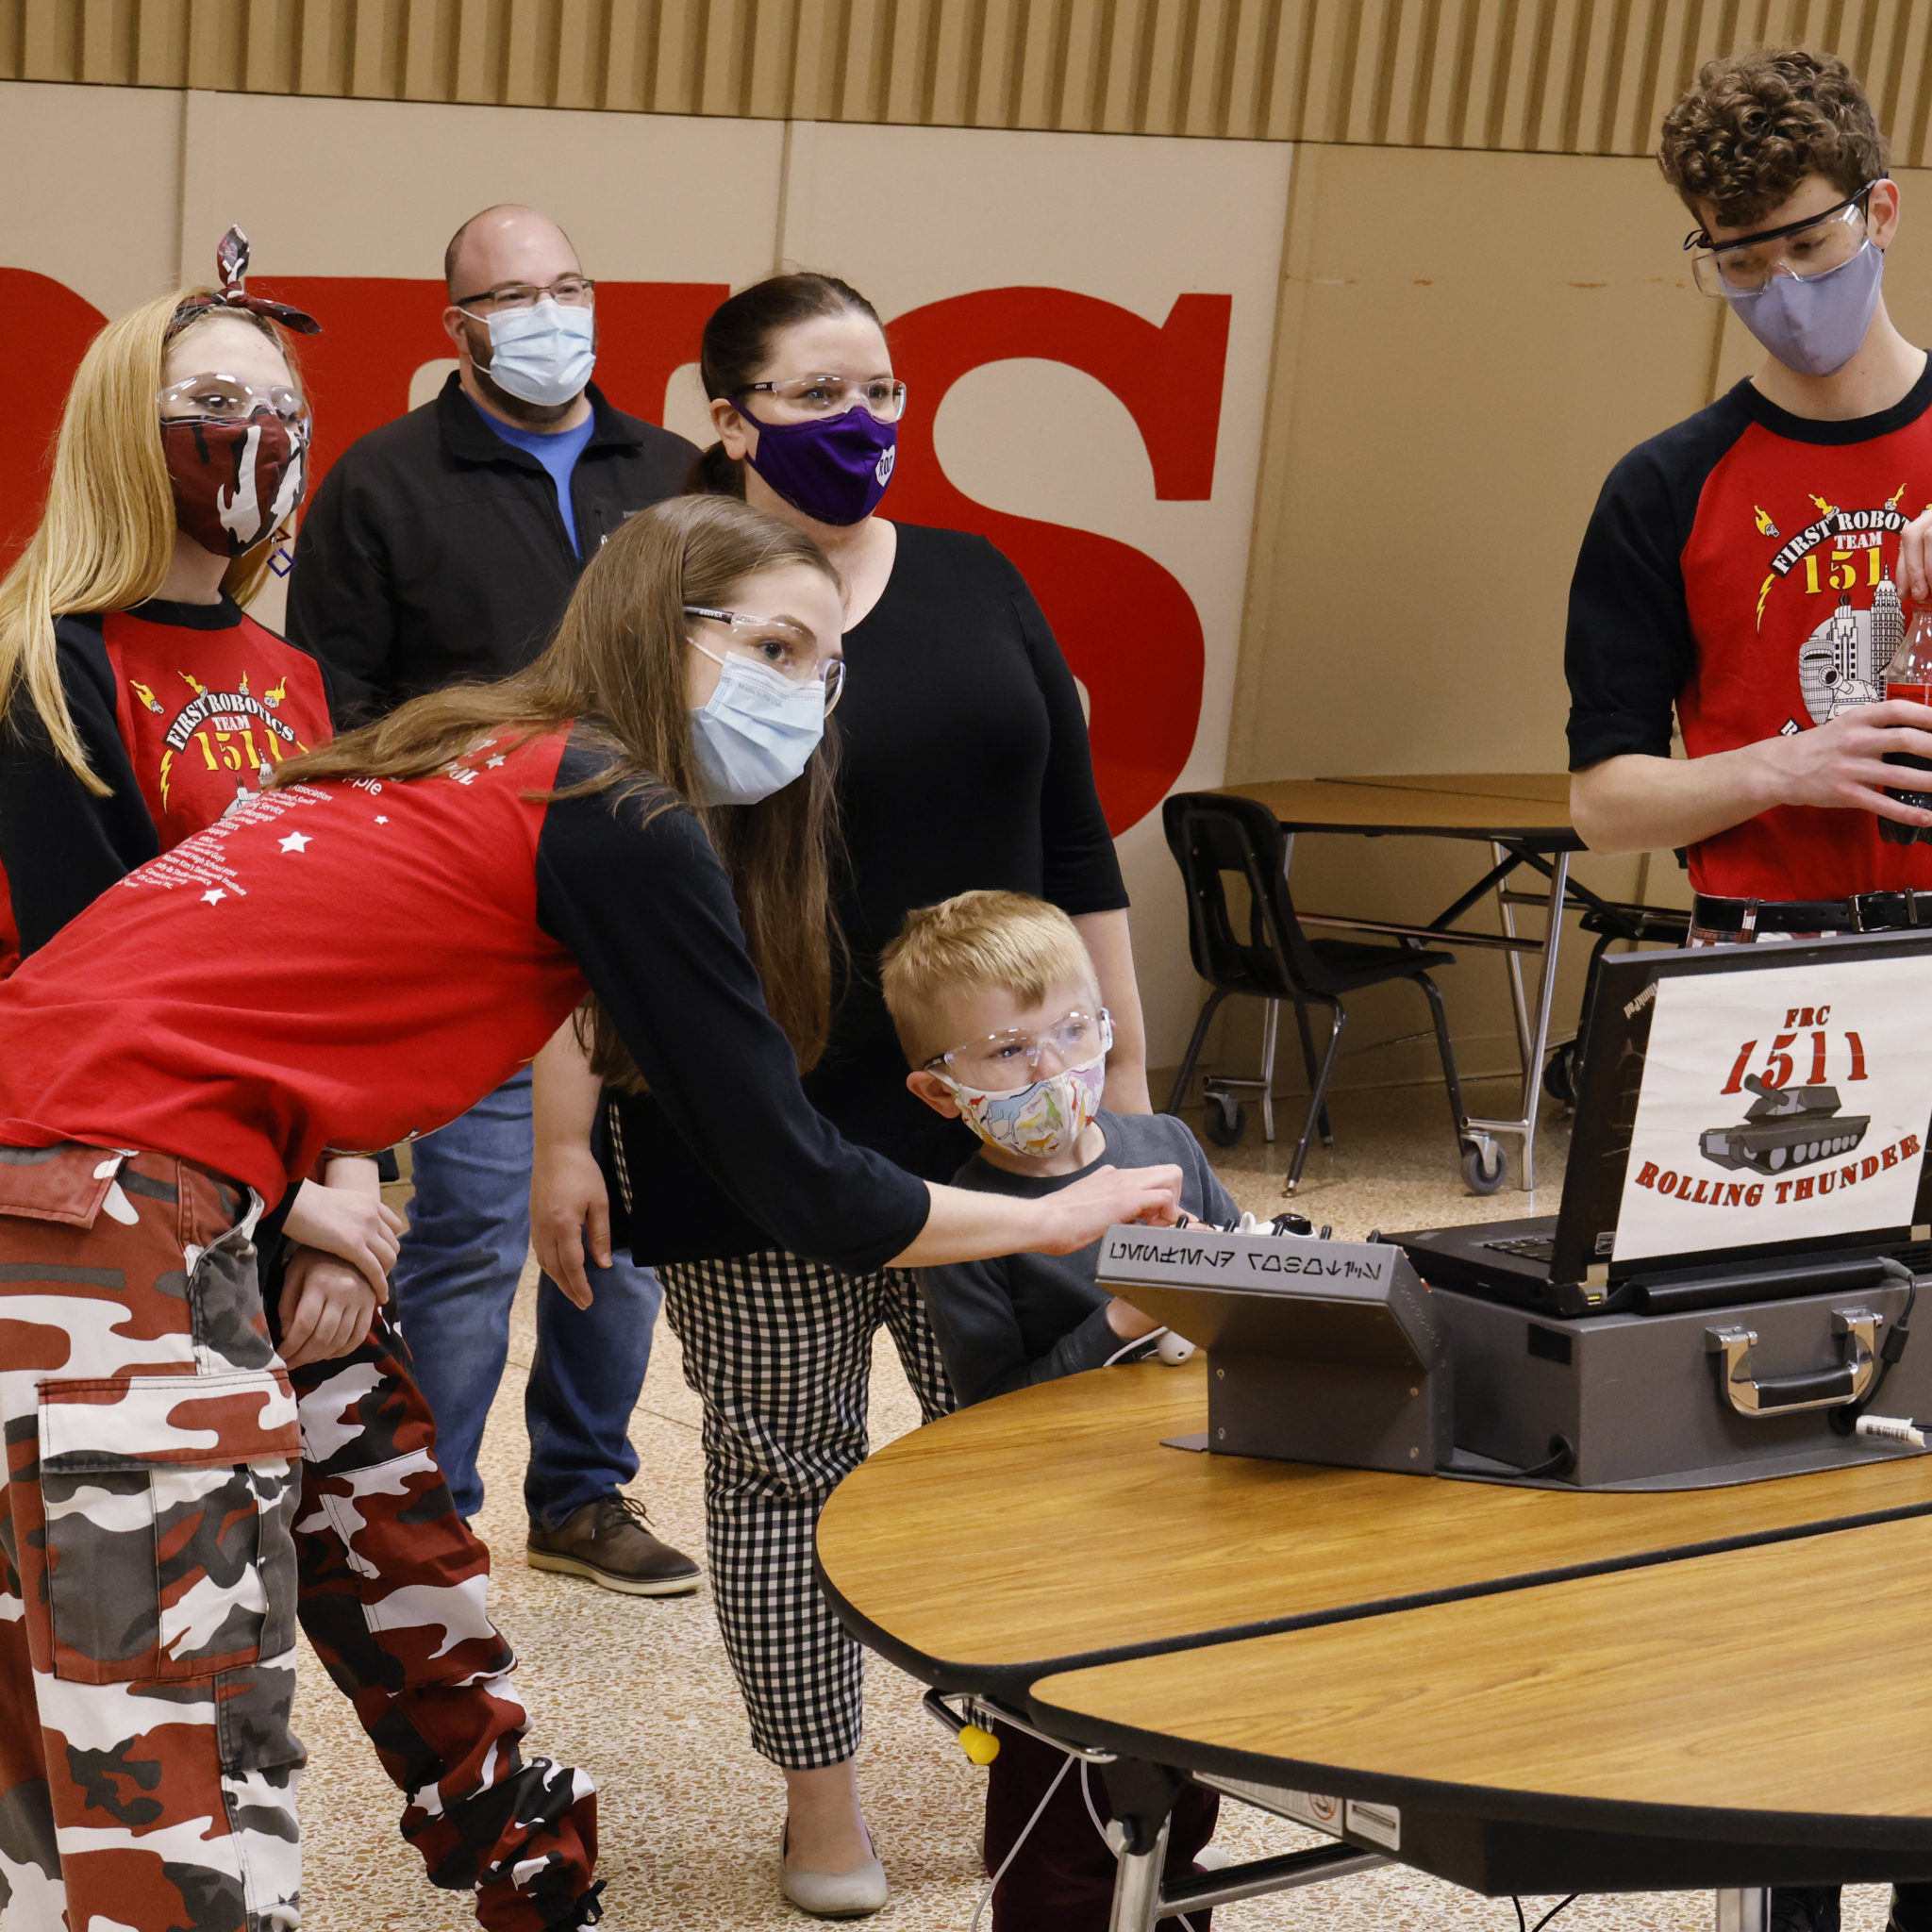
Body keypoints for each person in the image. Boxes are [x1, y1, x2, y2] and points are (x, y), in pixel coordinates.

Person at [0, 491, 1183, 1932]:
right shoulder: (615, 807)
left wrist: (304, 1197)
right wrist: (1065, 1215)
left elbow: (213, 996)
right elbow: (799, 1180)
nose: (811, 695)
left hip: (129, 1181)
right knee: (163, 1759)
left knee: (198, 1608)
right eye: (778, 647)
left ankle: (516, 1858)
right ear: (660, 632)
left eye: (829, 667)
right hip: (101, 1212)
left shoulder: (455, 751)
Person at [0, 236, 602, 1932]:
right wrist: (297, 1206)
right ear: (131, 426)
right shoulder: (43, 656)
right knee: (152, 1637)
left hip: (302, 1198)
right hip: (114, 1214)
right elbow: (90, 982)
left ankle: (522, 1857)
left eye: (282, 410)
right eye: (211, 407)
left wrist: (350, 1202)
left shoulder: (293, 683)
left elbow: (339, 955)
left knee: (403, 1549)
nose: (253, 440)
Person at [530, 270, 1151, 1911]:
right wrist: (562, 1131)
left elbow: (1077, 840)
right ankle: (821, 1802)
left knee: (1018, 1457)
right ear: (724, 416)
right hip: (754, 1124)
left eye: (880, 385)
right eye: (816, 392)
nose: (862, 418)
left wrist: (1130, 1071)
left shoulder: (974, 580)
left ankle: (1025, 1761)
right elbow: (567, 879)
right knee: (785, 1464)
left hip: (1008, 1118)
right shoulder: (671, 599)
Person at [1564, 47, 1932, 1932]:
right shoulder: (1668, 484)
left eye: (1796, 241)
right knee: (1776, 1428)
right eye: (1728, 261)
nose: (1774, 286)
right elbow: (1601, 789)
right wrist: (1782, 766)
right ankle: (1780, 1872)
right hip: (1768, 983)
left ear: (1880, 209)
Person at [288, 204, 701, 1592]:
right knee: (464, 1236)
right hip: (470, 926)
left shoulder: (677, 474)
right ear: (456, 328)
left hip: (642, 921)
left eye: (569, 285)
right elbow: (333, 707)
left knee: (625, 1232)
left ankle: (584, 1494)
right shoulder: (385, 482)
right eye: (512, 294)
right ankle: (437, 1509)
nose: (548, 313)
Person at [882, 890, 1231, 1930]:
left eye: (1073, 1030)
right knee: (1063, 1802)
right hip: (1051, 1553)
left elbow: (1242, 1296)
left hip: (1185, 1518)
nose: (1052, 1069)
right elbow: (985, 1410)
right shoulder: (967, 1220)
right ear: (941, 1091)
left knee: (1185, 1789)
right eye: (1006, 1050)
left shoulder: (1161, 1135)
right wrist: (1121, 1314)